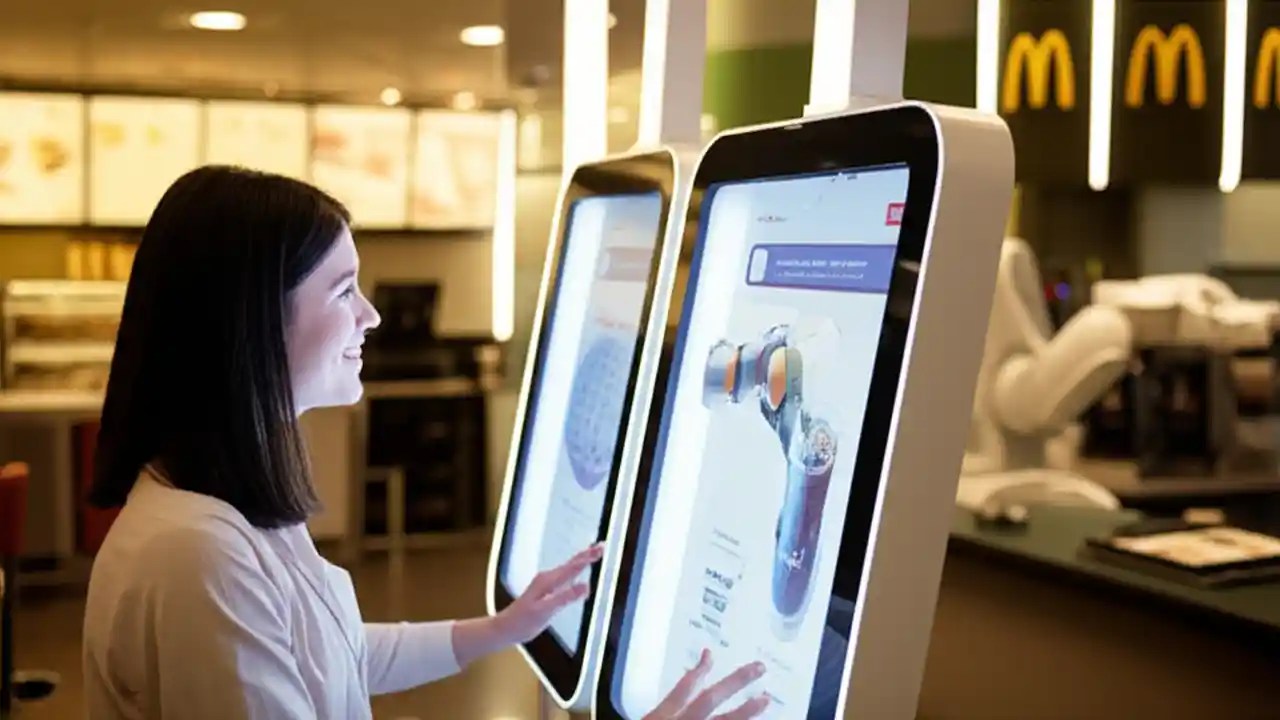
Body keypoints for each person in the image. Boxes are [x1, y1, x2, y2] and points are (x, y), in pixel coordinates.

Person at [81, 166, 769, 720]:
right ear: (255, 318)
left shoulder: (229, 508)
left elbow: (334, 654)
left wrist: (500, 628)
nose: (370, 316)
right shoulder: (199, 554)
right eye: (344, 290)